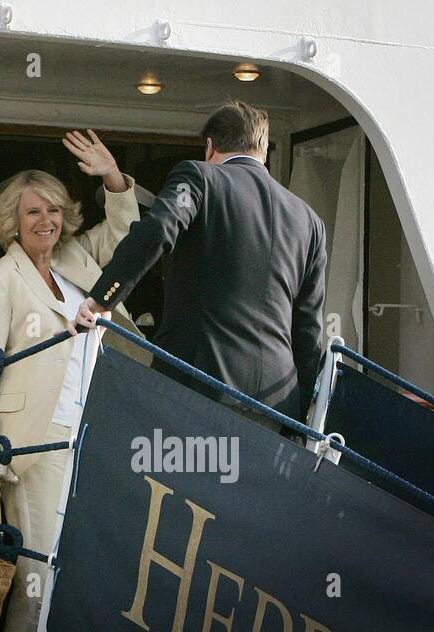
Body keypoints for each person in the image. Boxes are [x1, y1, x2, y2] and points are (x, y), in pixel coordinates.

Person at [0, 130, 149, 632]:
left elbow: (127, 235)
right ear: (11, 223)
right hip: (28, 452)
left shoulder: (74, 260)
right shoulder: (0, 278)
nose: (45, 220)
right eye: (32, 211)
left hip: (86, 446)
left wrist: (114, 178)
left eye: (54, 210)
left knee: (74, 581)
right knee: (35, 579)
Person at [76, 101, 327, 430]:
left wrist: (101, 300)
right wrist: (301, 412)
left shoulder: (198, 177)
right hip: (276, 404)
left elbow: (158, 231)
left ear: (210, 146)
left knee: (177, 480)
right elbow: (309, 331)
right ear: (263, 149)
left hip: (199, 386)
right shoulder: (310, 220)